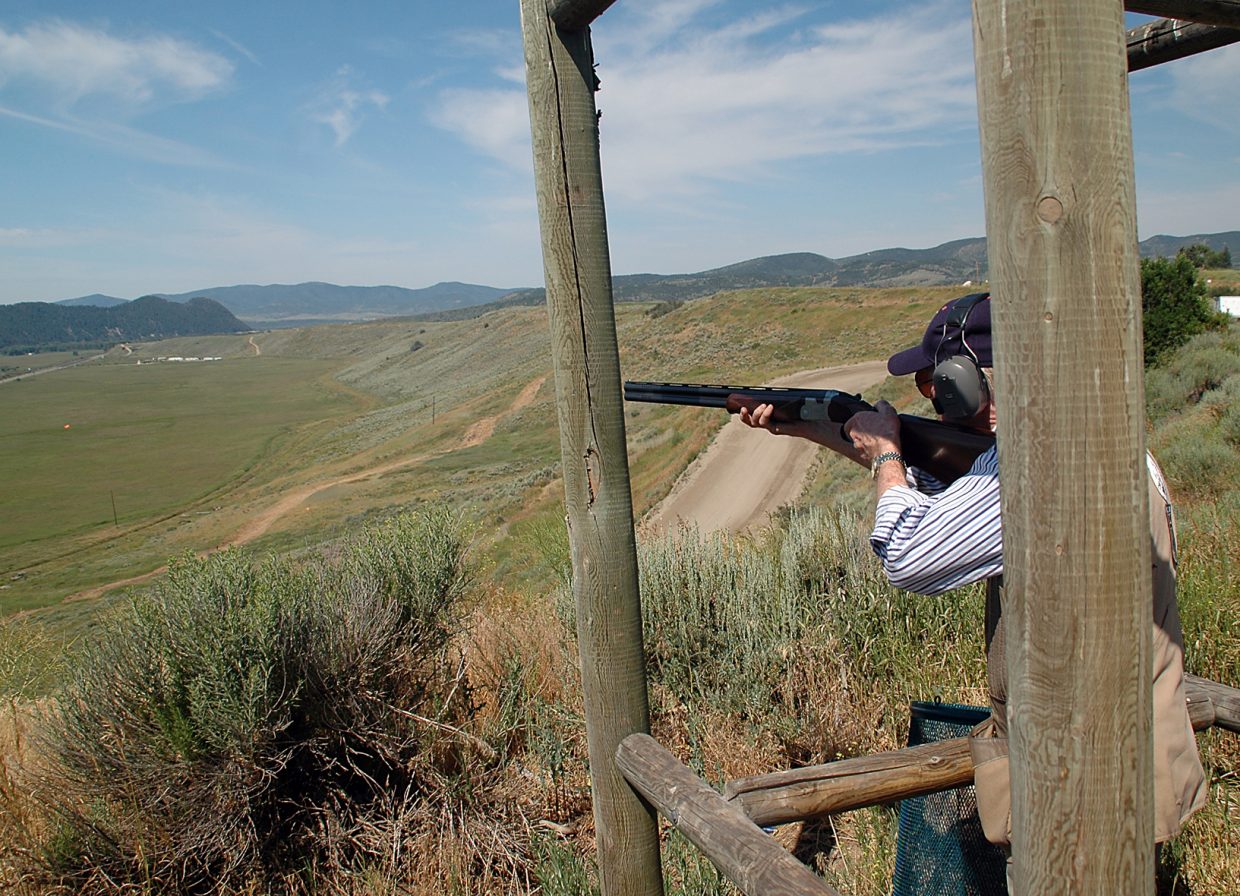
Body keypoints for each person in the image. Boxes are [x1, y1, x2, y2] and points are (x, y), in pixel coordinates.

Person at [739, 292, 1206, 856]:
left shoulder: (1035, 466)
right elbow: (953, 494)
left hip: (1074, 790)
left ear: (970, 381)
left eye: (935, 384)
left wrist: (887, 456)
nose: (932, 399)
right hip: (1118, 762)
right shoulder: (1094, 438)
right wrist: (804, 426)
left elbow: (909, 555)